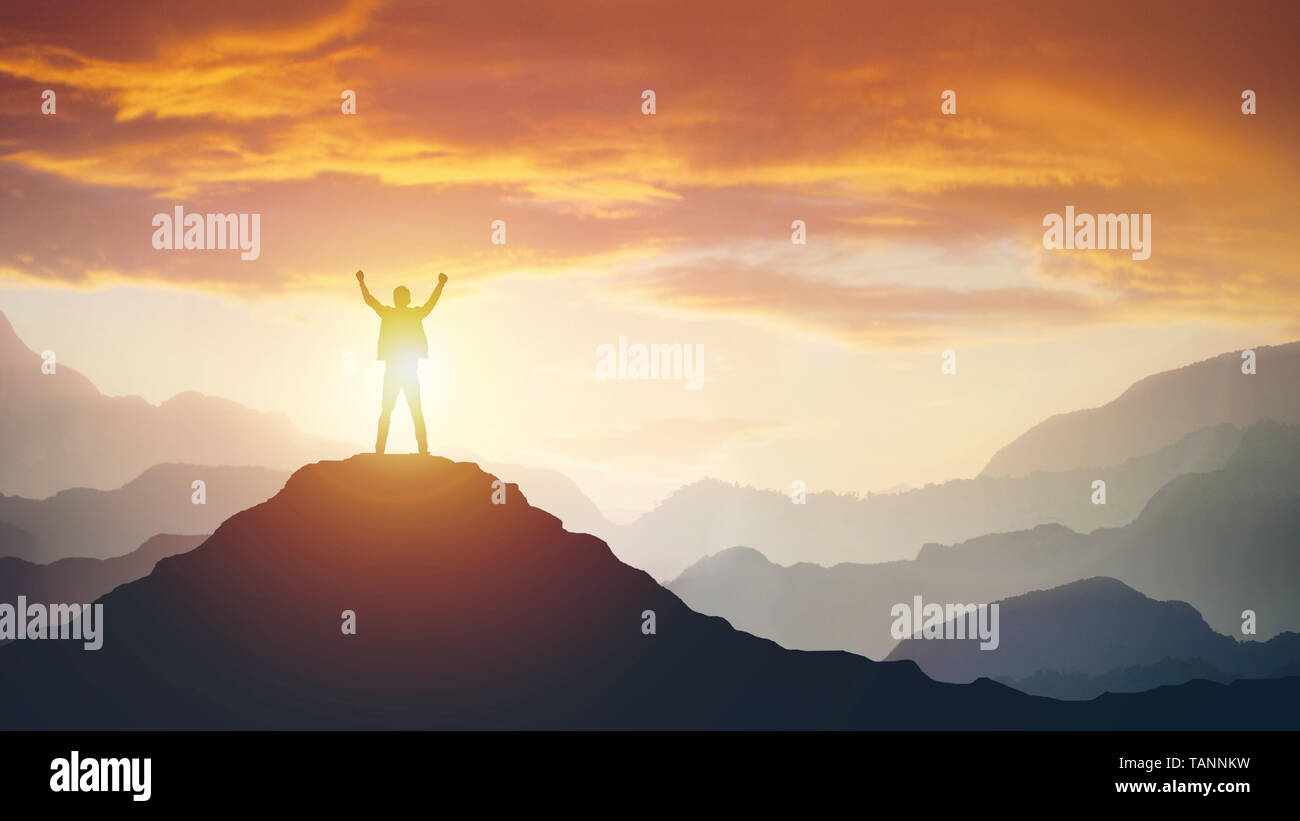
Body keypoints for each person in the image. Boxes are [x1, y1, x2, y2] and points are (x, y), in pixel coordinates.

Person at [356, 269, 447, 454]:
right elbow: (431, 303)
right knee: (411, 411)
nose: (400, 299)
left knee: (392, 411)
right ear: (406, 299)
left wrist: (361, 282)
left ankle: (382, 451)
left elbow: (370, 301)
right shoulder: (411, 314)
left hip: (398, 371)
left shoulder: (390, 313)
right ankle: (421, 450)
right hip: (406, 371)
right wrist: (440, 284)